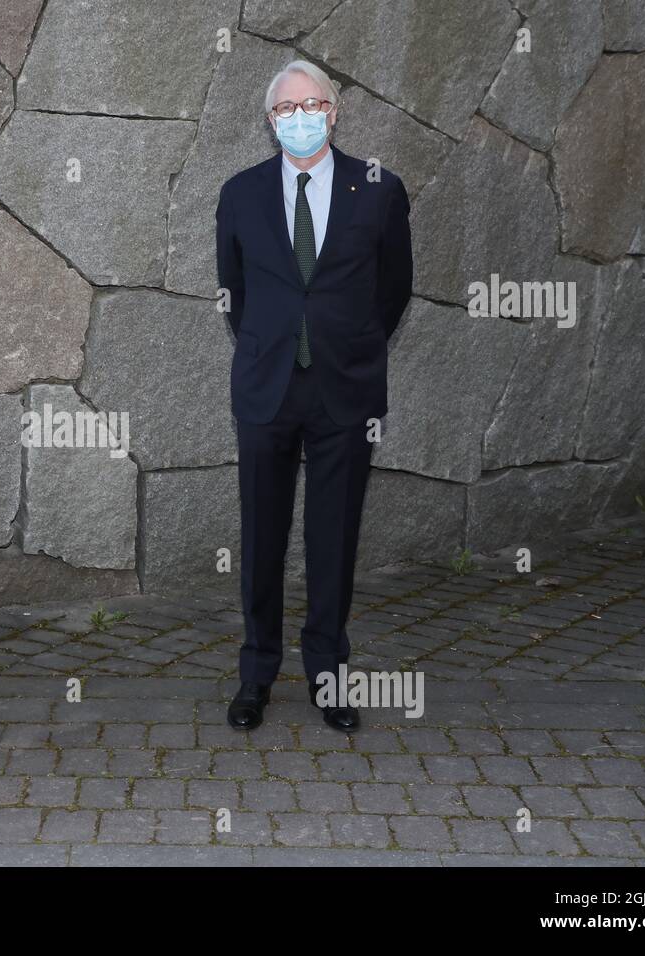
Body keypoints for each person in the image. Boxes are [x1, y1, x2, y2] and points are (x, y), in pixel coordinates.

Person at [216, 60, 413, 733]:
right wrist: (276, 341)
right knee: (262, 539)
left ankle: (329, 679)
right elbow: (234, 294)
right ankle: (256, 676)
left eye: (313, 103)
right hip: (266, 391)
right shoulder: (240, 194)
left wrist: (346, 343)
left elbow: (393, 292)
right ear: (271, 123)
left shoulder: (379, 190)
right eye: (286, 108)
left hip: (345, 393)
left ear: (335, 110)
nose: (300, 116)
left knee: (334, 541)